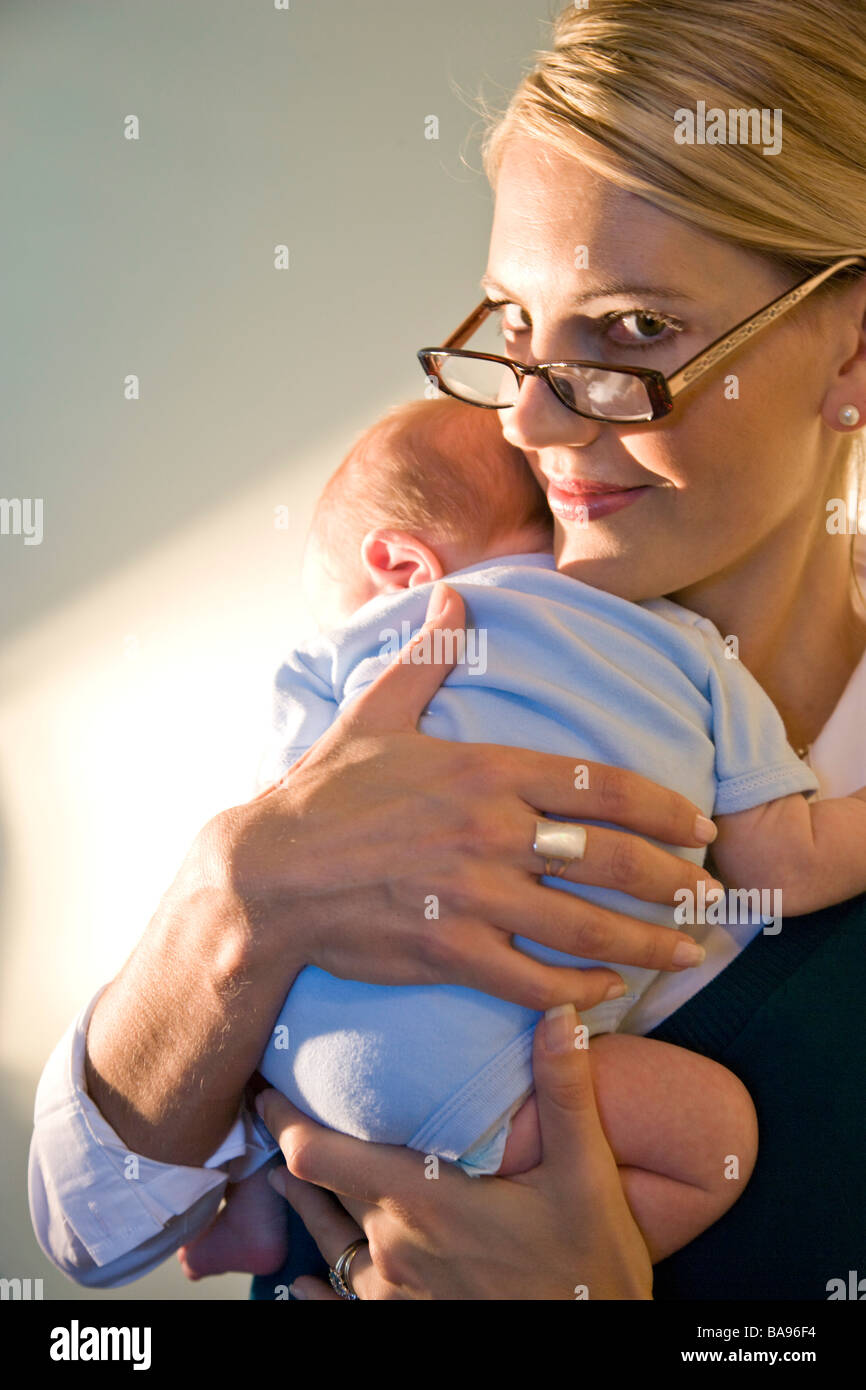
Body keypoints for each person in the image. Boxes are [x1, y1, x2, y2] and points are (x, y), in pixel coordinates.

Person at [28, 0, 866, 1299]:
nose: (528, 418)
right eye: (513, 327)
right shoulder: (432, 665)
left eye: (633, 332)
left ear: (852, 349)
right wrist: (232, 900)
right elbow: (82, 1231)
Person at [177, 391, 866, 1284]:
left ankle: (258, 1205)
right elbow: (787, 863)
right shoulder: (689, 646)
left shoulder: (354, 653)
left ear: (397, 564)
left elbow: (289, 835)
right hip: (505, 1082)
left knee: (277, 1033)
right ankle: (547, 1260)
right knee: (713, 1140)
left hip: (310, 1066)